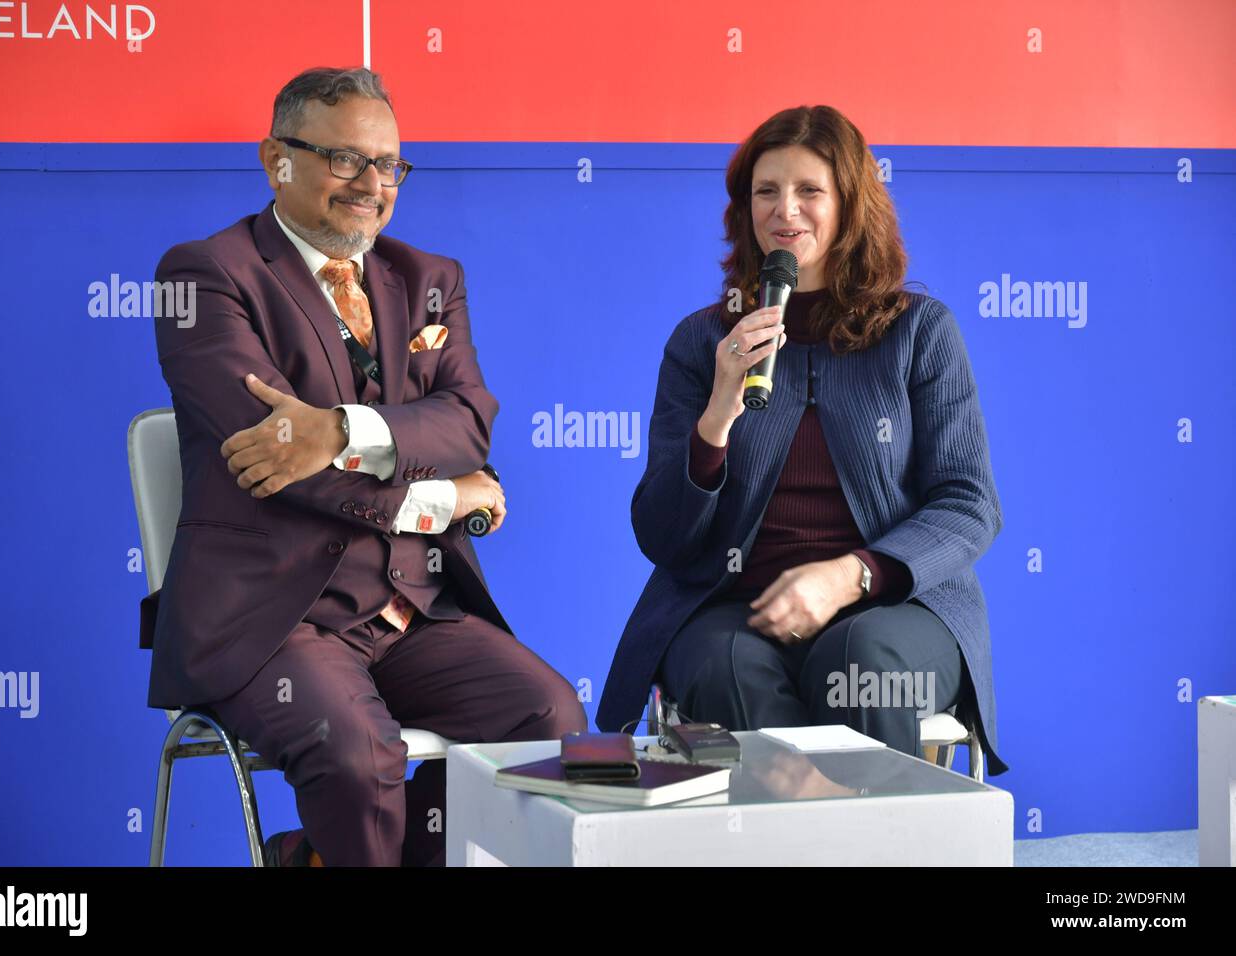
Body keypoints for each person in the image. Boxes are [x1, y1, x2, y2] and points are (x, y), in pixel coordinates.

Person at [138, 66, 586, 867]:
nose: (372, 185)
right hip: (272, 620)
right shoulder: (204, 275)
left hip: (413, 610)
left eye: (389, 165)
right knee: (358, 755)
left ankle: (318, 859)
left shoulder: (429, 281)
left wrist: (342, 427)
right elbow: (272, 458)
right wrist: (443, 500)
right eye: (345, 160)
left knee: (545, 716)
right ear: (277, 157)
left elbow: (469, 421)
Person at [596, 105, 1008, 776]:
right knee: (723, 671)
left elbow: (968, 504)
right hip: (735, 608)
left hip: (892, 607)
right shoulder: (704, 343)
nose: (785, 211)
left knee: (859, 661)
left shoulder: (919, 331)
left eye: (809, 190)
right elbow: (663, 538)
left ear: (850, 204)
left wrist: (851, 577)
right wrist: (716, 418)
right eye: (766, 191)